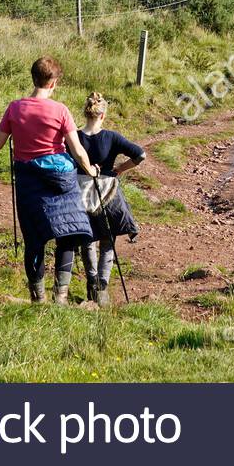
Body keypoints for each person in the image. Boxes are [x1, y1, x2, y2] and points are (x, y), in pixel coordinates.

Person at [0, 56, 98, 305]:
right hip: (61, 181)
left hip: (28, 181)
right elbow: (77, 150)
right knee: (68, 234)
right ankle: (60, 296)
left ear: (33, 78)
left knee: (34, 239)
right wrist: (90, 170)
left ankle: (37, 298)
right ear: (53, 83)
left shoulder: (14, 108)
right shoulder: (60, 110)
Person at [76, 91, 143, 305]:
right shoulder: (112, 137)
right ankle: (103, 287)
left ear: (86, 113)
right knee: (107, 240)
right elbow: (140, 154)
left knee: (86, 239)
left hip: (80, 192)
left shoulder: (74, 136)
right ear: (103, 115)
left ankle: (92, 281)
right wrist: (119, 169)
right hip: (107, 193)